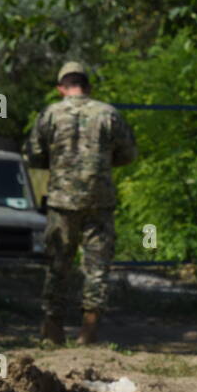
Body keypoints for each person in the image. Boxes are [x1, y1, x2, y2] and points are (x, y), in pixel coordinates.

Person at [25, 61, 137, 344]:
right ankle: (89, 329)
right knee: (97, 266)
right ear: (87, 86)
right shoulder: (108, 114)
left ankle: (52, 327)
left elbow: (33, 155)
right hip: (99, 200)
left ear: (61, 88)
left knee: (58, 264)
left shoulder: (50, 114)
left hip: (62, 201)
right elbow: (128, 154)